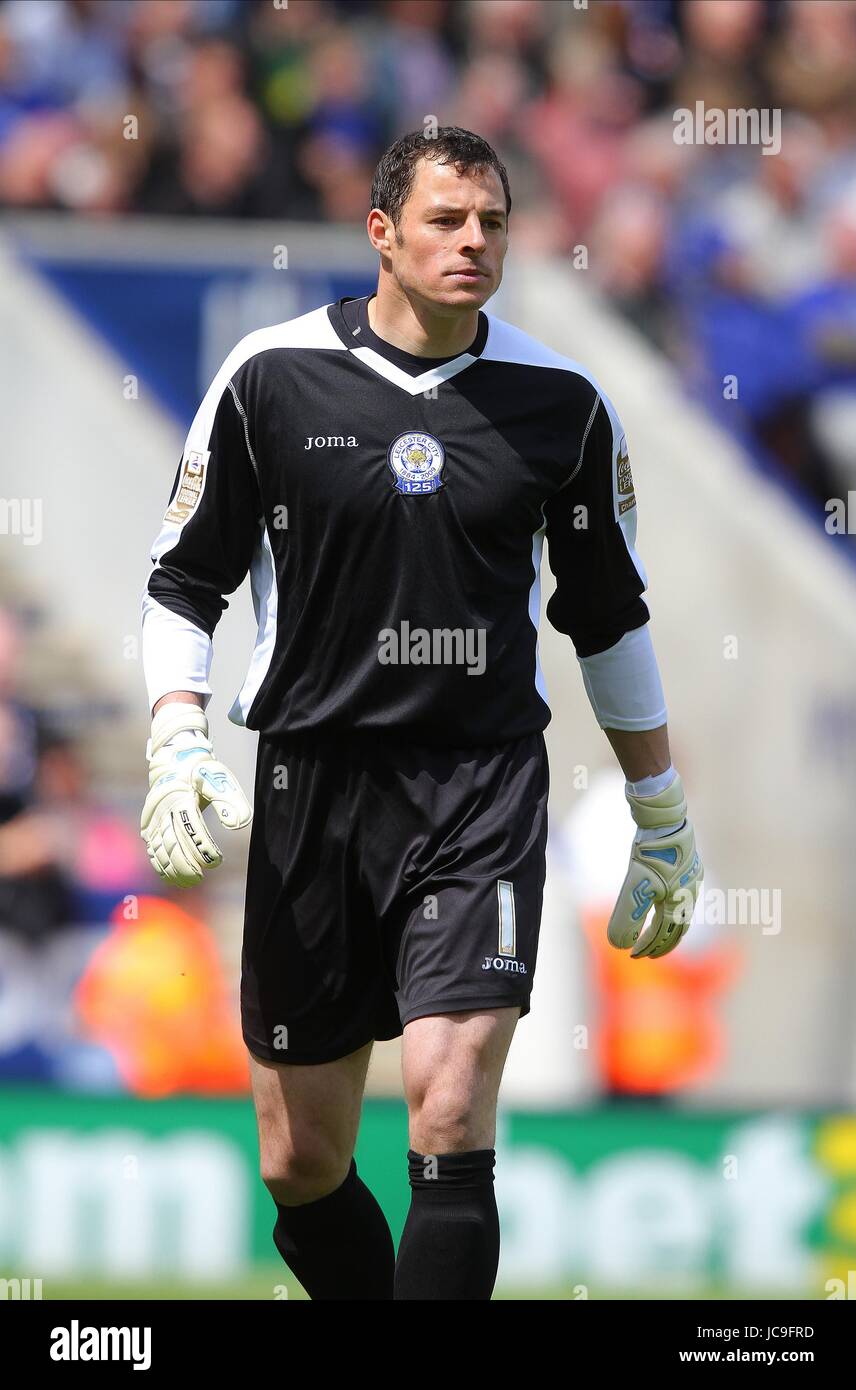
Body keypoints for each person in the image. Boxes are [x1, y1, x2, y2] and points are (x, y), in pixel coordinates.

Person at [139, 126, 703, 1301]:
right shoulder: (270, 378)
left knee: (450, 1106)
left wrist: (660, 810)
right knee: (301, 1162)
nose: (475, 242)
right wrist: (175, 732)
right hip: (313, 784)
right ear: (382, 234)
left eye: (493, 221)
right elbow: (184, 582)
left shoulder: (564, 405)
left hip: (480, 786)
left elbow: (606, 617)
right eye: (447, 221)